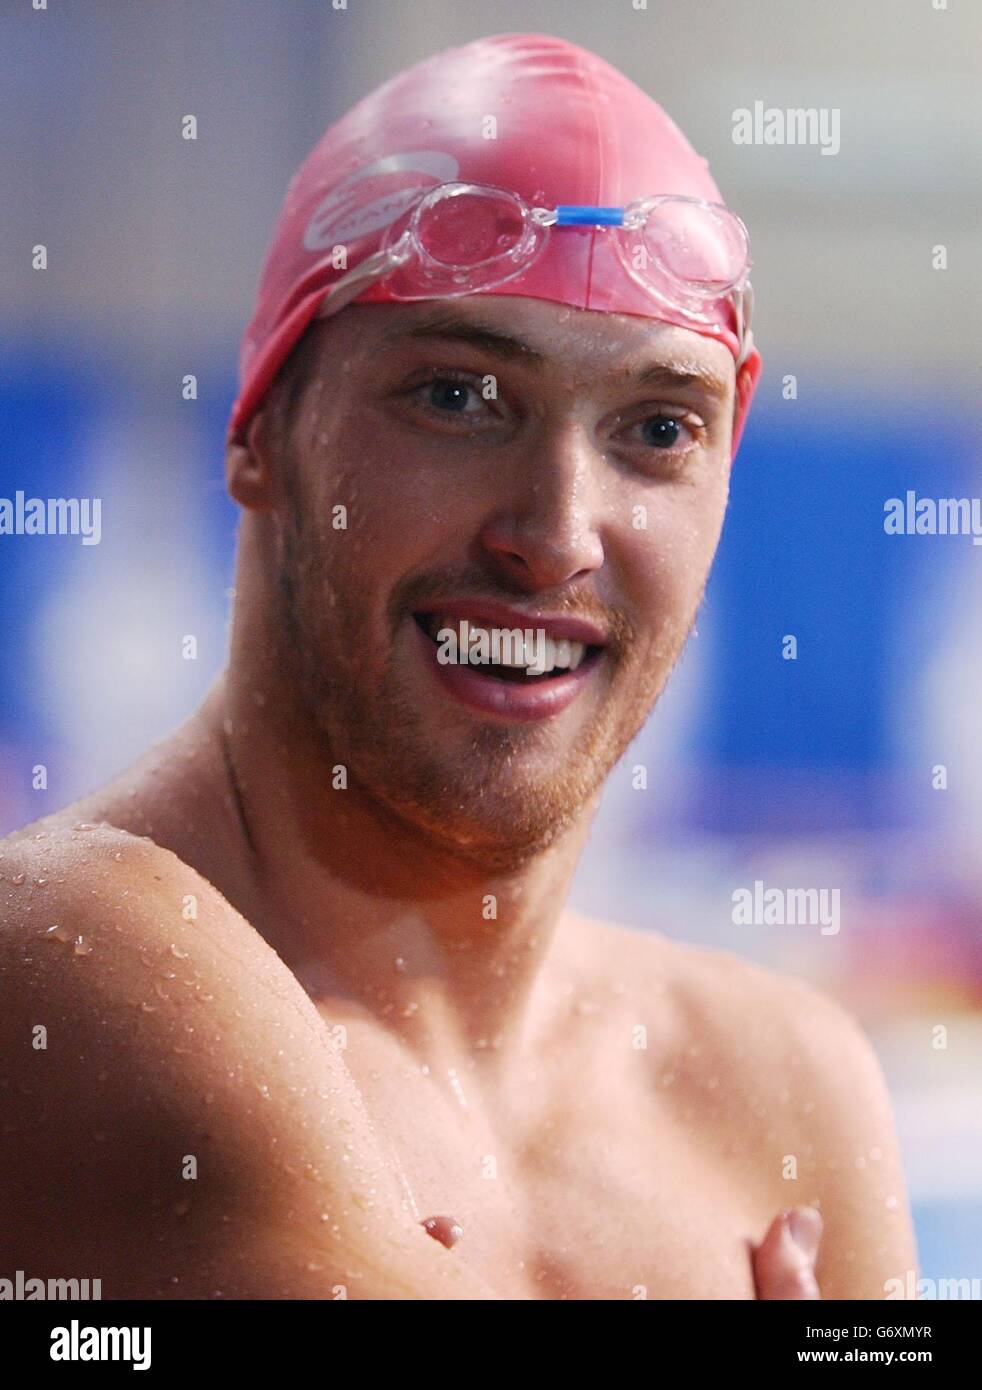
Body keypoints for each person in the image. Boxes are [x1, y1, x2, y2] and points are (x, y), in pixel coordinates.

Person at [0, 32, 916, 1300]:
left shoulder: (787, 1088)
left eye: (658, 429)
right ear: (262, 427)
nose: (552, 536)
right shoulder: (62, 962)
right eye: (458, 397)